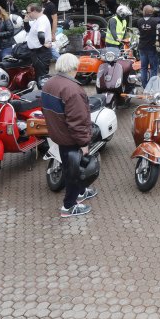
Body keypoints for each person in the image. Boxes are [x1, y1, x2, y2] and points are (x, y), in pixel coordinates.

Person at [41, 53, 97, 218]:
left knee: (70, 165)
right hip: (70, 137)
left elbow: (45, 109)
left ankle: (81, 191)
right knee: (74, 170)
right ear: (74, 68)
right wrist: (84, 143)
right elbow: (78, 121)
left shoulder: (49, 84)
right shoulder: (73, 90)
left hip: (57, 133)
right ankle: (69, 206)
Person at [25, 3, 53, 86]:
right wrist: (26, 21)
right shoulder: (38, 20)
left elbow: (41, 34)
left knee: (42, 78)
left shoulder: (42, 20)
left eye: (28, 12)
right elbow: (28, 30)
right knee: (38, 76)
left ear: (34, 11)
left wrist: (43, 43)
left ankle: (43, 96)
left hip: (41, 52)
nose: (28, 14)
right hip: (37, 52)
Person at [135, 5, 159, 88]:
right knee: (153, 68)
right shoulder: (156, 21)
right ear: (152, 12)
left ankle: (144, 86)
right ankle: (151, 87)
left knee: (143, 68)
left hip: (142, 47)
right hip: (152, 47)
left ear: (144, 11)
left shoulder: (139, 21)